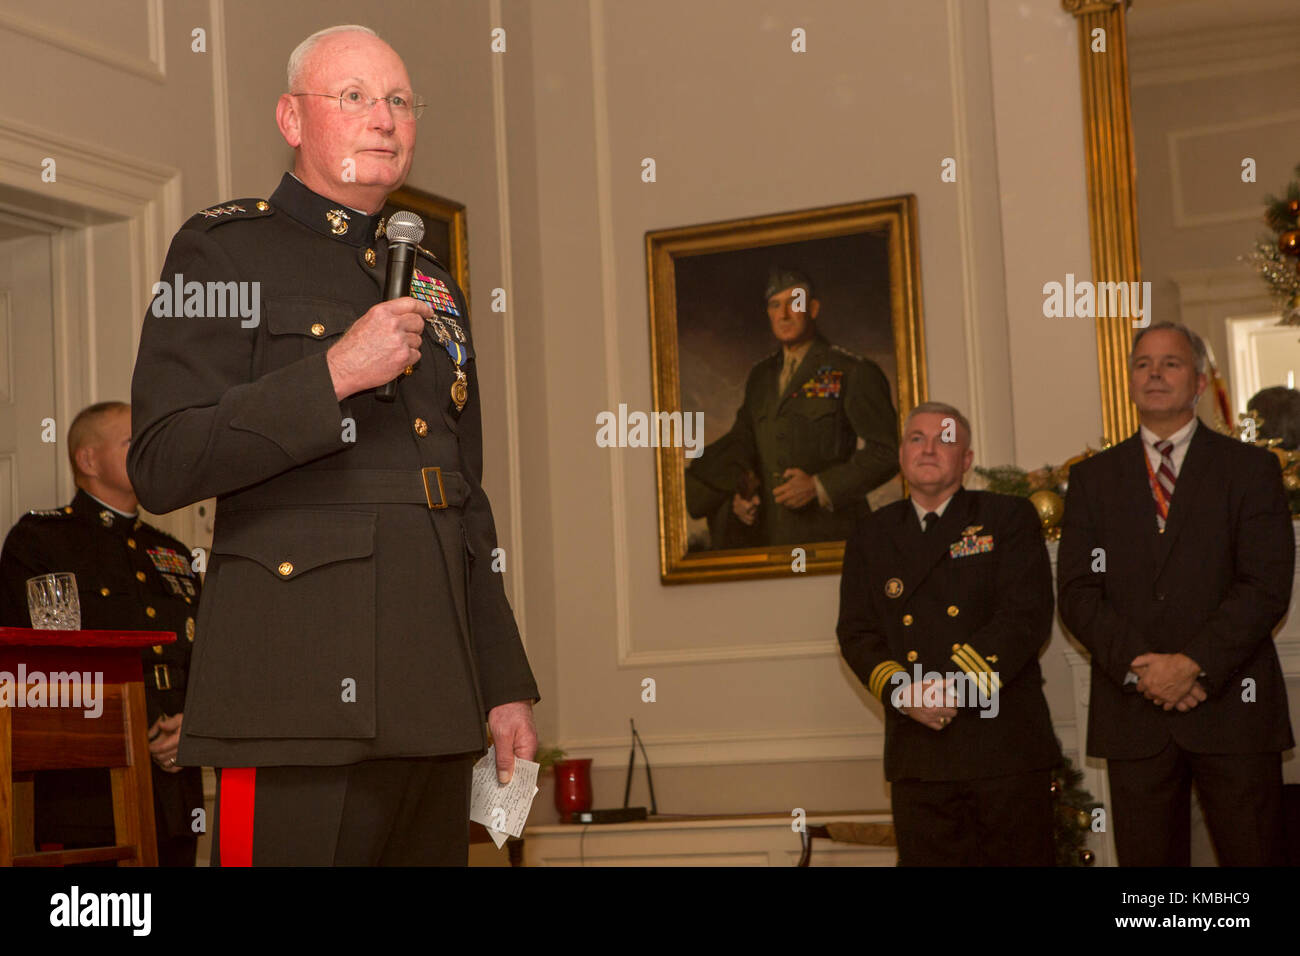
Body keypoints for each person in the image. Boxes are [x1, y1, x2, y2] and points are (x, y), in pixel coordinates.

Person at [126, 25, 539, 866]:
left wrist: (502, 686)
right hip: (294, 699)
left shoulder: (434, 280)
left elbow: (462, 498)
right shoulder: (222, 249)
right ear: (291, 117)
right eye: (353, 97)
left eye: (398, 101)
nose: (384, 118)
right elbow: (162, 461)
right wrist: (333, 375)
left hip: (433, 698)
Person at [1058, 321, 1295, 866]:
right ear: (1131, 382)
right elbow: (1077, 591)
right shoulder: (1093, 479)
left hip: (1234, 708)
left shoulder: (1251, 469)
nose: (1155, 374)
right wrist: (1147, 670)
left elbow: (1264, 586)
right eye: (1143, 364)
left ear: (1198, 380)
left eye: (1171, 363)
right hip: (1134, 717)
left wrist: (1193, 665)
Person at [836, 402, 1059, 865]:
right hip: (918, 754)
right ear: (901, 456)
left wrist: (951, 687)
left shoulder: (1008, 517)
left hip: (1003, 749)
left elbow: (1025, 617)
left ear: (967, 459)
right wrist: (904, 692)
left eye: (945, 439)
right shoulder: (870, 535)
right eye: (917, 438)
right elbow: (856, 632)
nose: (929, 448)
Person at [0, 401, 202, 866]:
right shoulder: (40, 541)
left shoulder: (169, 551)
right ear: (88, 460)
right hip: (86, 790)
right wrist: (140, 733)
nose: (149, 452)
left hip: (175, 789)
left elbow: (204, 657)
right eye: (134, 442)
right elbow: (40, 663)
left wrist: (193, 727)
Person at [690, 268, 899, 547]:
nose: (784, 314)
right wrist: (738, 497)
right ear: (769, 313)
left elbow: (887, 452)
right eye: (776, 305)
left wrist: (819, 486)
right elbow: (743, 445)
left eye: (794, 303)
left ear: (812, 308)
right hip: (771, 537)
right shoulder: (760, 376)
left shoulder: (852, 371)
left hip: (832, 538)